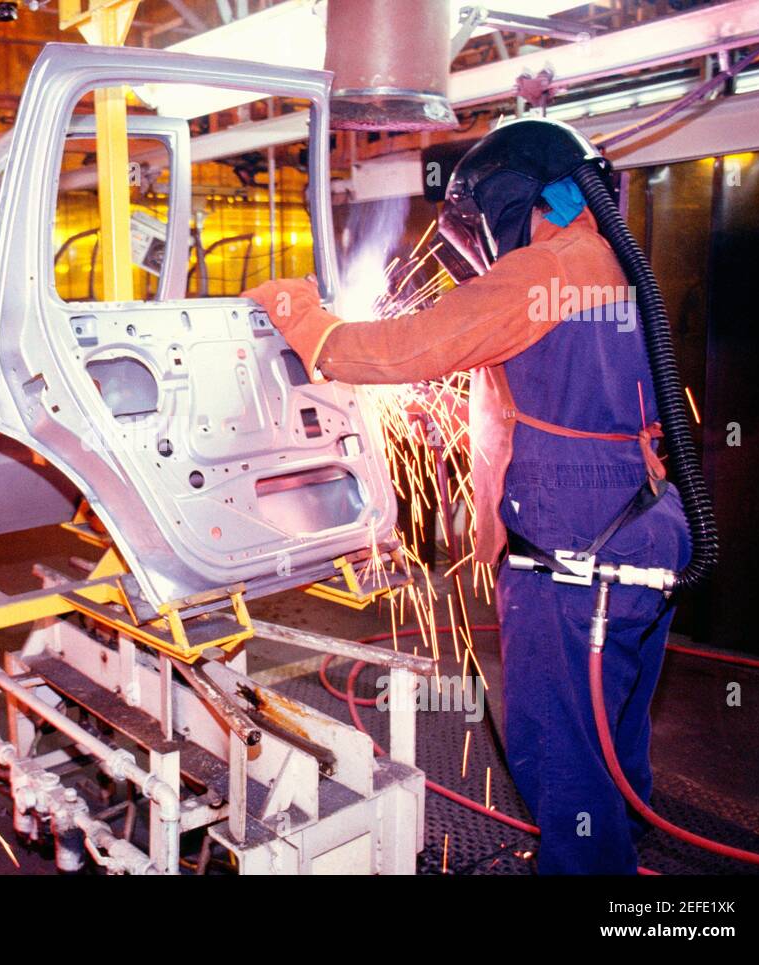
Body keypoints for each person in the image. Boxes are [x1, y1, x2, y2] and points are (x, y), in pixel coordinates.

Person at [244, 118, 690, 874]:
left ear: (513, 200)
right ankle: (617, 839)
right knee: (611, 730)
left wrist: (302, 318)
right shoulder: (614, 262)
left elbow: (405, 346)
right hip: (642, 533)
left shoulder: (543, 270)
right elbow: (563, 397)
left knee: (559, 753)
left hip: (574, 555)